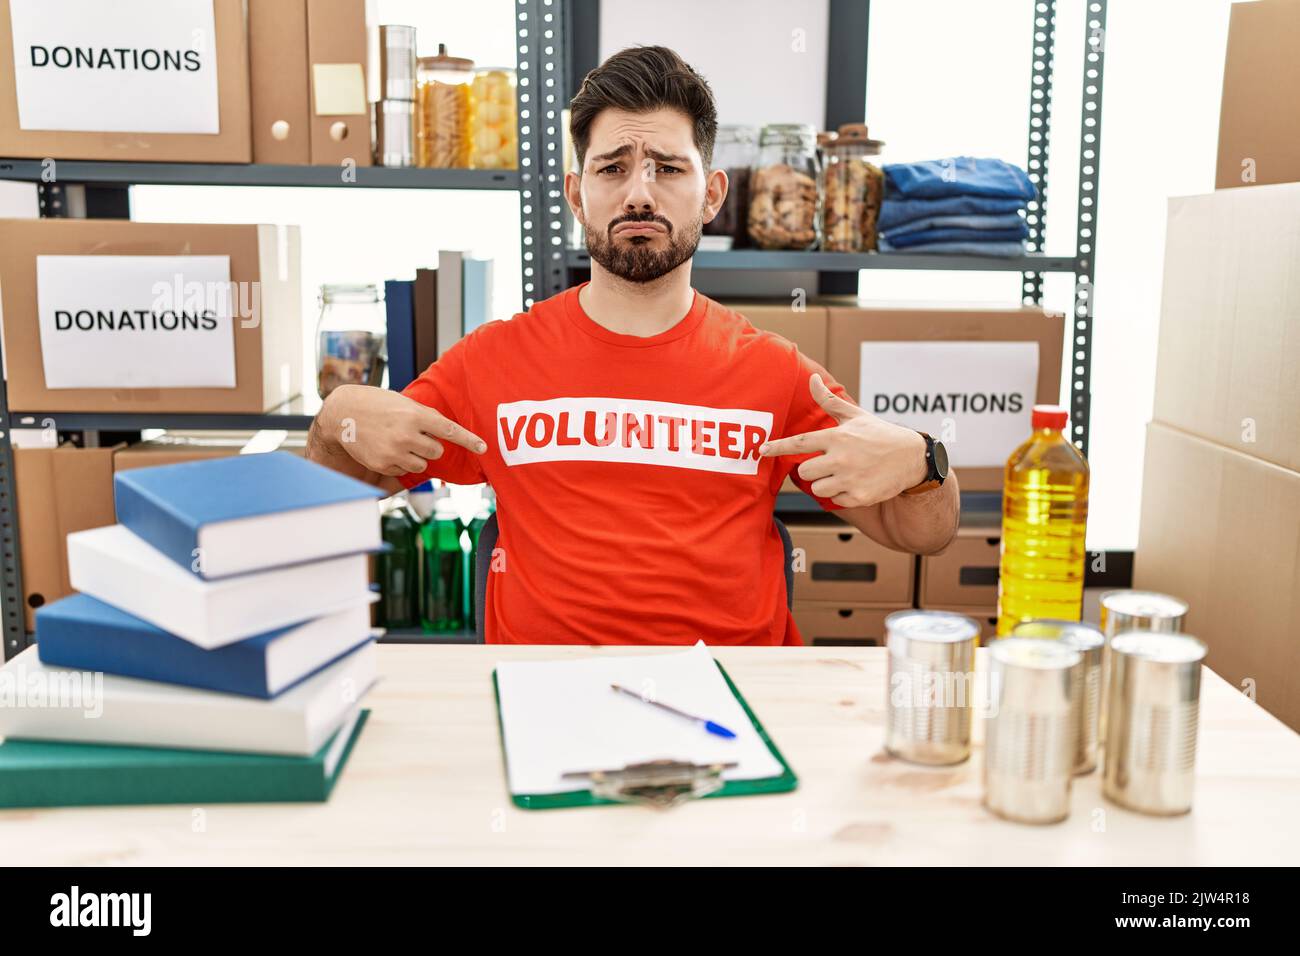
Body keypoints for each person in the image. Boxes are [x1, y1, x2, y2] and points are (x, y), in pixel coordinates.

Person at [307, 45, 960, 645]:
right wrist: (337, 421)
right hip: (548, 712)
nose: (640, 193)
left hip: (736, 707)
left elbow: (924, 532)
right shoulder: (494, 361)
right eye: (612, 169)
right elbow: (323, 506)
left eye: (668, 169)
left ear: (711, 195)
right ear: (577, 196)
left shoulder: (777, 373)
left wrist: (924, 459)